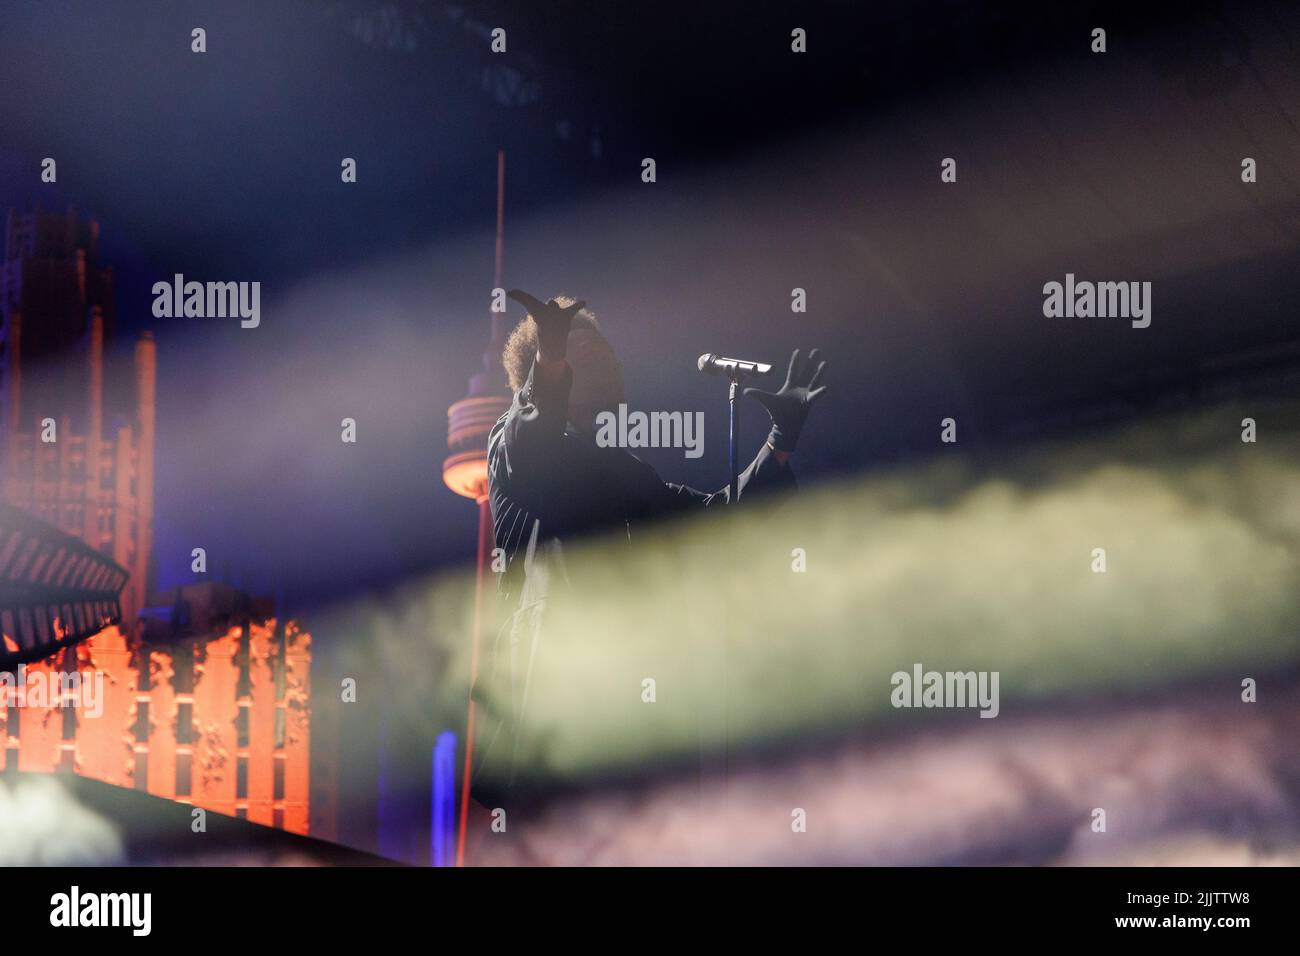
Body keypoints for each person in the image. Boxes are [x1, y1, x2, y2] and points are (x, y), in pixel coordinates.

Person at [473, 288, 828, 795]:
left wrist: (779, 444)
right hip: (553, 666)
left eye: (605, 355)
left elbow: (706, 524)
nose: (604, 363)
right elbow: (533, 441)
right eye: (583, 354)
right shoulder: (512, 436)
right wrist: (551, 362)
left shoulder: (620, 466)